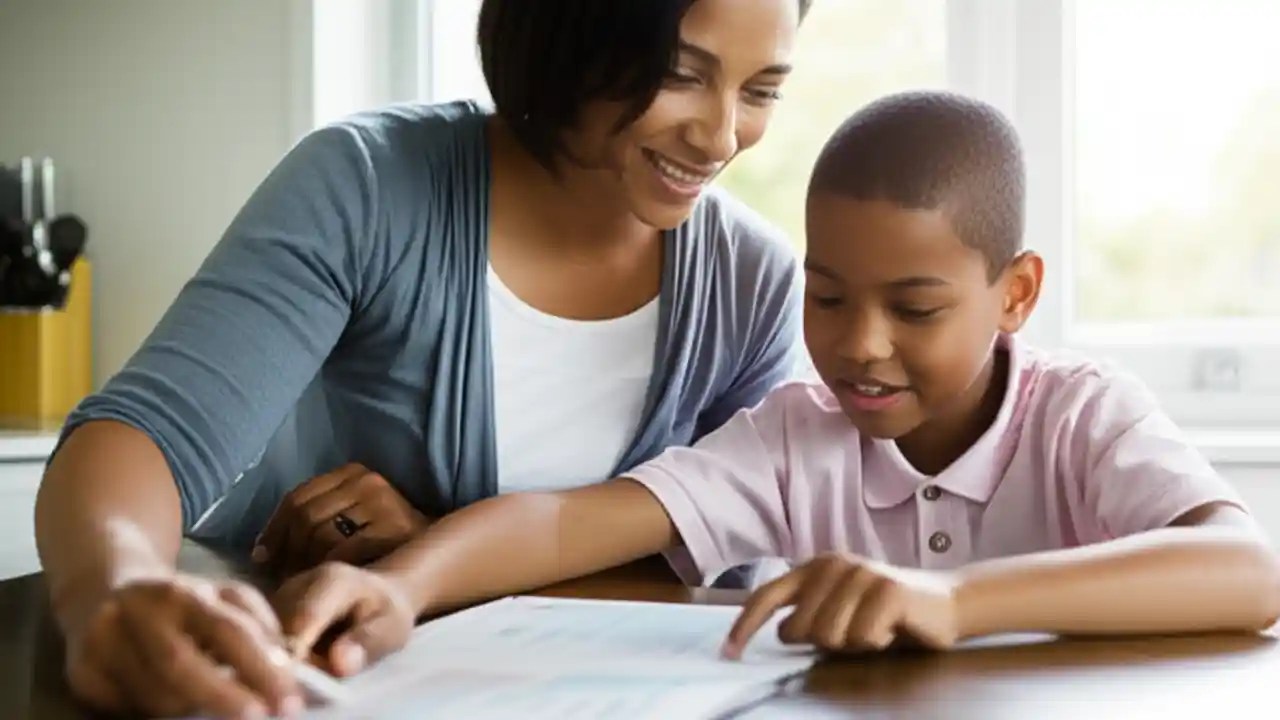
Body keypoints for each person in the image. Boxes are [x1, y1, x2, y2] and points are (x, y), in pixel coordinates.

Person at [276, 90, 1280, 676]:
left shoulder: (1082, 416)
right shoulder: (797, 437)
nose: (861, 347)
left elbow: (1248, 575)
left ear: (1013, 294)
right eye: (828, 298)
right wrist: (398, 584)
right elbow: (558, 524)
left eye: (914, 309)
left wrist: (948, 600)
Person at [35, 0, 813, 717]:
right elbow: (146, 434)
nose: (720, 136)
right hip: (301, 679)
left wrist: (435, 546)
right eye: (681, 75)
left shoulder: (750, 284)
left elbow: (719, 580)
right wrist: (113, 585)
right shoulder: (370, 186)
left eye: (762, 91)